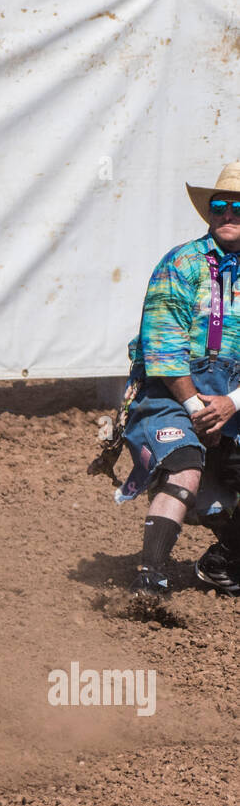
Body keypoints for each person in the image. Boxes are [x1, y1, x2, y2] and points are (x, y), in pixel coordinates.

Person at [113, 163, 240, 599]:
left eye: (238, 206)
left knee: (218, 489)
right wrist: (198, 410)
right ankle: (150, 578)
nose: (228, 214)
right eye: (220, 206)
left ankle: (227, 561)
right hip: (171, 394)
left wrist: (232, 404)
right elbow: (162, 351)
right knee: (185, 466)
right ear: (209, 212)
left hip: (233, 398)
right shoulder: (181, 263)